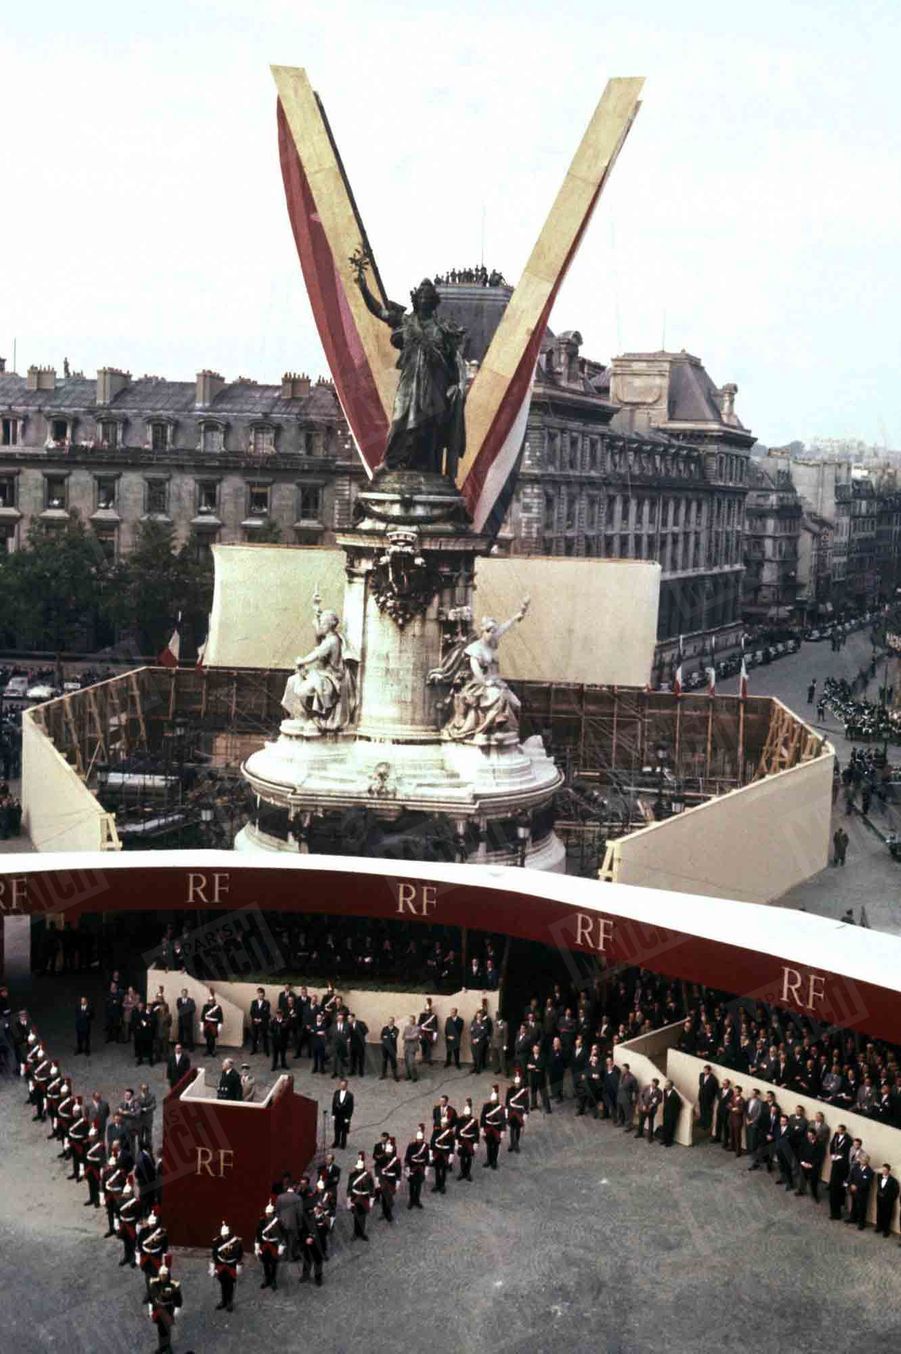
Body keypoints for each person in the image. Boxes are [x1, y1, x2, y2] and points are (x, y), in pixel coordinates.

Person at [148, 1261, 183, 1353]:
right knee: (160, 1329)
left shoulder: (173, 1285)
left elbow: (178, 1298)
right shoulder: (154, 1283)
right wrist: (151, 1309)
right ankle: (162, 1347)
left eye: (164, 1275)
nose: (163, 1277)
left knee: (167, 1329)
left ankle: (167, 1347)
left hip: (168, 1309)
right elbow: (151, 1297)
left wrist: (177, 1308)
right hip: (158, 1309)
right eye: (161, 1275)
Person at [211, 1222, 243, 1310]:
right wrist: (216, 1264)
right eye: (223, 1235)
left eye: (225, 1235)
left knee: (230, 1285)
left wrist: (238, 1263)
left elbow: (239, 1254)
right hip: (221, 1266)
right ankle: (223, 1301)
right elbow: (214, 1254)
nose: (224, 1237)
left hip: (231, 1265)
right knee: (223, 1284)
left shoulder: (235, 1241)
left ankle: (229, 1302)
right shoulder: (217, 1241)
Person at [137, 1209, 169, 1295]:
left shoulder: (161, 1233)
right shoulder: (143, 1231)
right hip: (146, 1258)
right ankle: (149, 1293)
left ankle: (157, 1292)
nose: (151, 1225)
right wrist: (141, 1254)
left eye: (153, 1224)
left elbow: (164, 1246)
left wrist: (162, 1257)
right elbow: (139, 1243)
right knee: (147, 1277)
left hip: (156, 1256)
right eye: (150, 1224)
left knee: (158, 1276)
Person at [255, 1199, 283, 1290]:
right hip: (264, 1245)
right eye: (267, 1213)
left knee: (274, 1264)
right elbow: (258, 1234)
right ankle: (267, 1279)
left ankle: (273, 1280)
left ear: (273, 1213)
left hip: (274, 1244)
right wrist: (257, 1245)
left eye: (270, 1213)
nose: (268, 1215)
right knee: (265, 1263)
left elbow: (282, 1235)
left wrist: (281, 1246)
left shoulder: (278, 1222)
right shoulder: (262, 1222)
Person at [347, 1152, 374, 1240]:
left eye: (360, 1169)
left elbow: (371, 1188)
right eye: (357, 1168)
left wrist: (371, 1200)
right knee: (356, 1215)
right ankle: (355, 1232)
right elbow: (349, 1188)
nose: (358, 1170)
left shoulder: (368, 1176)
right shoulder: (352, 1175)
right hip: (355, 1197)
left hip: (364, 1197)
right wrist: (349, 1199)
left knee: (363, 1216)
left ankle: (362, 1232)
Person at [828, 1124, 852, 1219]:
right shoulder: (836, 1135)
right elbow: (832, 1145)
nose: (838, 1131)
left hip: (841, 1166)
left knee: (836, 1194)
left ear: (844, 1130)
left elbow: (846, 1153)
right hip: (836, 1161)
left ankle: (837, 1212)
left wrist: (840, 1157)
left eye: (840, 1130)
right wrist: (832, 1155)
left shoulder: (848, 1140)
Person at [846, 1151, 874, 1230]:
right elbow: (851, 1176)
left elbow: (867, 1183)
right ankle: (852, 1218)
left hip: (862, 1192)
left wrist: (857, 1187)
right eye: (861, 1159)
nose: (862, 1161)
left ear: (867, 1161)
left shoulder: (869, 1171)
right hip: (853, 1190)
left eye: (864, 1160)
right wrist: (851, 1184)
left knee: (862, 1207)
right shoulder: (856, 1167)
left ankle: (861, 1223)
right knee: (854, 1204)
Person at [480, 1085, 506, 1169]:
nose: (493, 1101)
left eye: (494, 1100)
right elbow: (483, 1117)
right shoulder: (486, 1106)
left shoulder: (501, 1108)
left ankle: (494, 1161)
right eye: (492, 1100)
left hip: (497, 1129)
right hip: (488, 1128)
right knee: (488, 1144)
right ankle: (489, 1160)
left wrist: (503, 1131)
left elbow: (503, 1120)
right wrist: (482, 1128)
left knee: (496, 1146)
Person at [796, 1128, 825, 1201]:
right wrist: (802, 1162)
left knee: (813, 1181)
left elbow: (820, 1156)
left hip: (813, 1166)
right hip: (804, 1164)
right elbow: (800, 1151)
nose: (809, 1137)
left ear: (815, 1135)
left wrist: (812, 1165)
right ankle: (801, 1191)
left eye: (811, 1135)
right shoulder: (804, 1141)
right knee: (802, 1179)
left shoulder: (820, 1144)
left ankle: (815, 1195)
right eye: (808, 1135)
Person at [117, 1180, 142, 1268]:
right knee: (125, 1242)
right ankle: (127, 1257)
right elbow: (118, 1213)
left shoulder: (135, 1203)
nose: (126, 1195)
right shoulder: (120, 1201)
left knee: (133, 1243)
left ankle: (133, 1259)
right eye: (125, 1193)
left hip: (131, 1224)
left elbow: (138, 1214)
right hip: (124, 1224)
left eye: (128, 1194)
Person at [377, 1135, 401, 1222]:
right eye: (386, 1152)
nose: (387, 1154)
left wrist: (397, 1183)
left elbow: (398, 1172)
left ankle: (389, 1213)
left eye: (388, 1153)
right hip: (384, 1179)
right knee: (383, 1198)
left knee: (389, 1198)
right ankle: (384, 1212)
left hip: (391, 1180)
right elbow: (379, 1168)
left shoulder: (396, 1161)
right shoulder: (382, 1158)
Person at [404, 1125, 429, 1209]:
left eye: (421, 1140)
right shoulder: (411, 1146)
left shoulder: (426, 1146)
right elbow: (407, 1158)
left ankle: (417, 1200)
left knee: (418, 1186)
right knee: (411, 1186)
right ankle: (411, 1201)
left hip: (421, 1168)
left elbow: (427, 1158)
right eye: (418, 1139)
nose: (419, 1141)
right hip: (413, 1167)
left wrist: (426, 1169)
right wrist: (407, 1169)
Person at [430, 1114, 455, 1192]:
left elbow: (452, 1144)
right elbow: (432, 1141)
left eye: (444, 1124)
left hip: (445, 1153)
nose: (443, 1125)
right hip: (437, 1152)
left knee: (444, 1170)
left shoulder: (450, 1133)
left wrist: (451, 1155)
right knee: (437, 1170)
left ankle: (442, 1185)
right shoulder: (436, 1130)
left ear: (446, 1124)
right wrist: (431, 1153)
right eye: (442, 1124)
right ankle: (437, 1184)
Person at [455, 1097, 479, 1180]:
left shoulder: (474, 1121)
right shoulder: (460, 1120)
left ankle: (468, 1172)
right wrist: (456, 1142)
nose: (467, 1116)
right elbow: (457, 1131)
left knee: (469, 1158)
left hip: (470, 1141)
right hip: (462, 1141)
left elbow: (476, 1132)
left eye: (468, 1115)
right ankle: (462, 1172)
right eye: (466, 1114)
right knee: (462, 1158)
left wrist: (476, 1142)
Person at [505, 1071, 529, 1152]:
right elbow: (507, 1101)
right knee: (512, 1129)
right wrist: (506, 1111)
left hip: (519, 1112)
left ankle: (516, 1144)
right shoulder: (510, 1090)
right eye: (516, 1083)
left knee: (518, 1129)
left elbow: (526, 1102)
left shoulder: (524, 1092)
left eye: (518, 1083)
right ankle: (512, 1144)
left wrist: (526, 1113)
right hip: (511, 1112)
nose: (517, 1085)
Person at [874, 1164, 899, 1237]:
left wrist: (890, 1199)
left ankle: (886, 1230)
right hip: (879, 1198)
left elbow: (896, 1192)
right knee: (879, 1213)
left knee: (887, 1215)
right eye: (883, 1170)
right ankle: (879, 1227)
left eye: (885, 1170)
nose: (884, 1171)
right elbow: (875, 1171)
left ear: (889, 1171)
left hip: (888, 1201)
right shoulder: (879, 1177)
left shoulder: (893, 1180)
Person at [527, 1042, 551, 1114]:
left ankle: (547, 1108)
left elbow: (541, 1066)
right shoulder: (531, 1057)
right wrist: (535, 1067)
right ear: (533, 1050)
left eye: (537, 1049)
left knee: (544, 1093)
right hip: (533, 1078)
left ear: (539, 1050)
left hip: (541, 1079)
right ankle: (533, 1105)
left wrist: (533, 1066)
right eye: (534, 1049)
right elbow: (528, 1067)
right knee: (533, 1092)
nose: (536, 1050)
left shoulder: (543, 1056)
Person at [331, 1078, 354, 1149]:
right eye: (341, 1085)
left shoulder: (350, 1095)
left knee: (344, 1130)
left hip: (344, 1115)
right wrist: (333, 1114)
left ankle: (343, 1143)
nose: (342, 1086)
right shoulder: (336, 1093)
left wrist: (348, 1118)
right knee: (336, 1129)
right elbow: (333, 1104)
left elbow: (351, 1108)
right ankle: (336, 1141)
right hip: (337, 1114)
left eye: (343, 1085)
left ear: (346, 1086)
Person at [616, 1063, 639, 1129]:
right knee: (620, 1111)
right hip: (620, 1096)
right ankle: (620, 1121)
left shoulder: (632, 1078)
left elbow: (636, 1090)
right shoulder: (621, 1075)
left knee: (627, 1112)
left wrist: (634, 1099)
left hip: (627, 1098)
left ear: (628, 1069)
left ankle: (628, 1125)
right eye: (622, 1069)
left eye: (624, 1069)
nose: (623, 1070)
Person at [697, 1064, 718, 1132]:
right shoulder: (701, 1075)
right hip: (701, 1096)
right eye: (704, 1070)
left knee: (707, 1111)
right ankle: (701, 1122)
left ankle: (707, 1125)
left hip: (708, 1098)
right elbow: (700, 1084)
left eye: (706, 1070)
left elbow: (715, 1090)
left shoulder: (713, 1079)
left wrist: (711, 1098)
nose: (704, 1071)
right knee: (701, 1109)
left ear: (709, 1071)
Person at [249, 988, 270, 1056]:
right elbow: (252, 1012)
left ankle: (266, 1050)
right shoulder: (254, 1002)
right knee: (254, 1036)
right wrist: (255, 1019)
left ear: (263, 995)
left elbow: (267, 1014)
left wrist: (261, 1020)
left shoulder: (267, 1003)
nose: (260, 996)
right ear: (258, 995)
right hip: (255, 1022)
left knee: (264, 1037)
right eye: (259, 994)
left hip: (263, 1022)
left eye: (262, 995)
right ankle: (254, 1049)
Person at [330, 1011, 351, 1079]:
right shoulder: (333, 1026)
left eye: (341, 1018)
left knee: (340, 1060)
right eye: (339, 1018)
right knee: (334, 1059)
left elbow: (347, 1034)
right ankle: (334, 1072)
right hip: (335, 1045)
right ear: (337, 1019)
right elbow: (331, 1034)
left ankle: (340, 1074)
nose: (340, 1019)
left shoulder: (346, 1025)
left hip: (342, 1045)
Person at [201, 992, 223, 1057]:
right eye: (209, 1001)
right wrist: (202, 1024)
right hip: (207, 1024)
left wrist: (220, 1025)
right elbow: (202, 1015)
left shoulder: (218, 1007)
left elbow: (220, 1016)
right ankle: (208, 1050)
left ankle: (213, 1050)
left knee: (212, 1038)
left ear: (214, 1001)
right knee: (207, 1038)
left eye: (212, 1001)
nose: (210, 1002)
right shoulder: (205, 1007)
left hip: (214, 1025)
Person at [660, 1080, 681, 1147]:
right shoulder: (665, 1091)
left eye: (667, 1086)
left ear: (671, 1086)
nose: (665, 1087)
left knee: (671, 1128)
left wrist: (674, 1114)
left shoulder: (675, 1095)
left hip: (672, 1115)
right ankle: (664, 1139)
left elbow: (679, 1105)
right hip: (666, 1113)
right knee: (665, 1127)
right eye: (665, 1085)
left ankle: (669, 1142)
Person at [137, 1083, 157, 1150]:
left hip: (148, 1118)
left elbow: (154, 1105)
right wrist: (140, 1109)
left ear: (147, 1089)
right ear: (141, 1089)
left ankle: (148, 1149)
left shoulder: (152, 1096)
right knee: (140, 1135)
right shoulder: (138, 1097)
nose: (144, 1090)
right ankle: (141, 1149)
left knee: (148, 1135)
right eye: (143, 1089)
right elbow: (136, 1106)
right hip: (140, 1119)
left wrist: (147, 1109)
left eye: (145, 1089)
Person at [419, 999, 439, 1066]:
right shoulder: (422, 1015)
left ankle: (429, 1059)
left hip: (430, 1034)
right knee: (423, 1046)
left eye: (429, 1009)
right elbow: (419, 1024)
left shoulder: (434, 1016)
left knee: (429, 1047)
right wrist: (419, 1034)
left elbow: (435, 1027)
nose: (428, 1010)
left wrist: (434, 1037)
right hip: (423, 1033)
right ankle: (423, 1058)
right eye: (427, 1009)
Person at [490, 1011, 509, 1077]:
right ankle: (497, 1069)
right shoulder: (494, 1022)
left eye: (498, 1015)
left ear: (501, 1016)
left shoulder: (505, 1024)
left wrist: (505, 1045)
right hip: (494, 1042)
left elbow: (506, 1035)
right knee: (495, 1057)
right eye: (496, 1015)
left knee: (502, 1059)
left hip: (501, 1043)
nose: (497, 1016)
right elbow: (492, 1033)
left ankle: (504, 1071)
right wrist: (491, 1042)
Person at [402, 1015, 420, 1081]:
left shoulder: (417, 1028)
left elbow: (415, 1037)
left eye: (412, 1020)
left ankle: (414, 1077)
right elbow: (403, 1037)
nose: (410, 1021)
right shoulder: (406, 1027)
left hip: (413, 1047)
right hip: (406, 1046)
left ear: (414, 1020)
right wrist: (409, 1036)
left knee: (411, 1063)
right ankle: (408, 1075)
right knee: (406, 1062)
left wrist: (408, 1037)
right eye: (409, 1020)